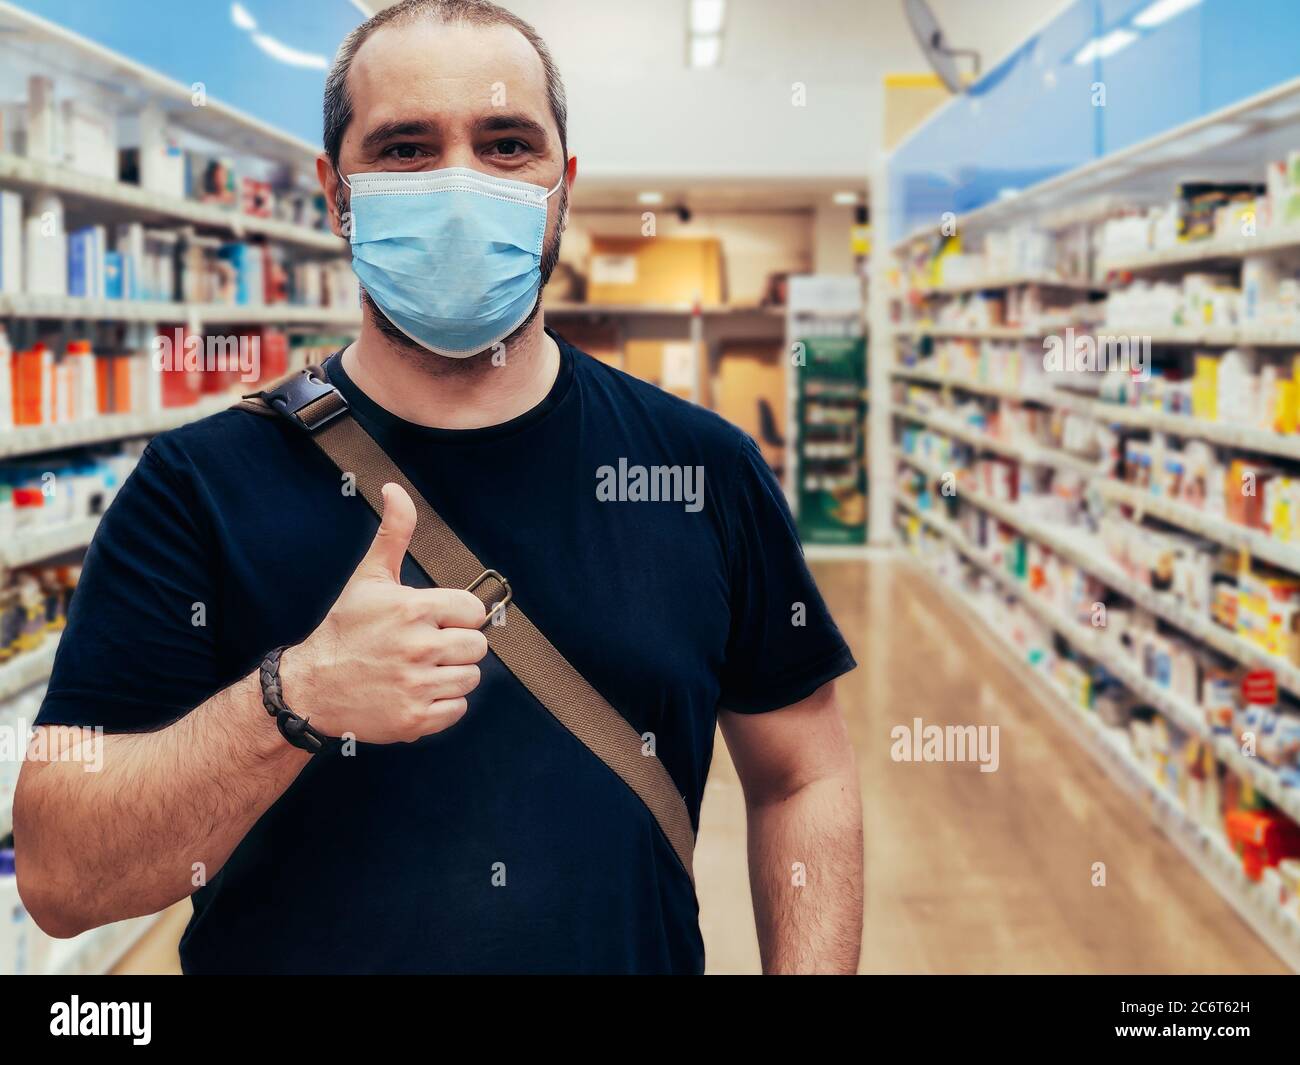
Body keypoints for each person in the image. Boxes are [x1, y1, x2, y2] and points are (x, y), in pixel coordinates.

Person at [14, 0, 862, 974]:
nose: (461, 186)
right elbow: (62, 877)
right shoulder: (196, 487)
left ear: (562, 185)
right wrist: (293, 700)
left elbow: (804, 778)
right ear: (336, 191)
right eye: (407, 148)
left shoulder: (702, 471)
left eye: (506, 144)